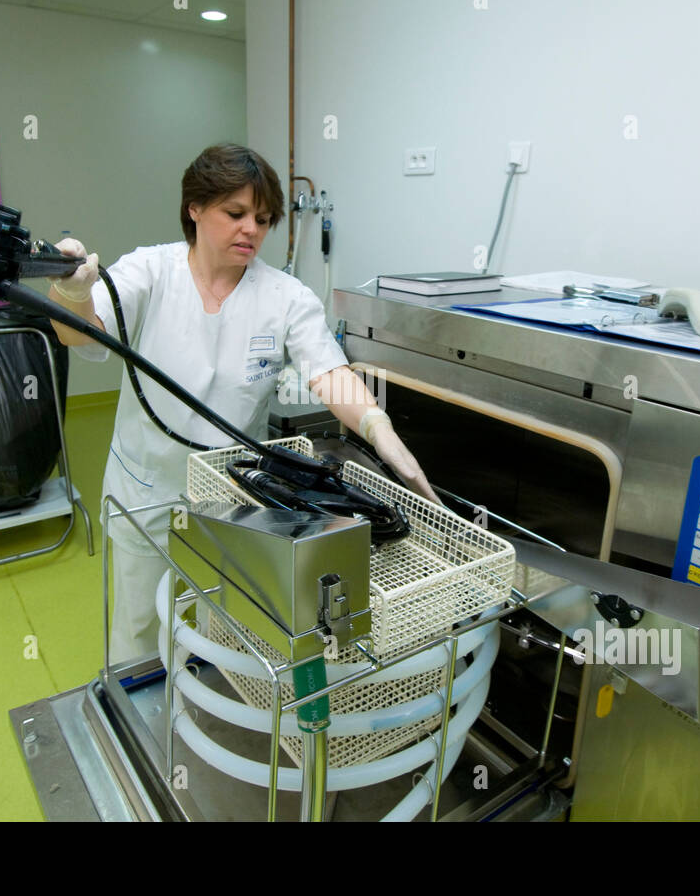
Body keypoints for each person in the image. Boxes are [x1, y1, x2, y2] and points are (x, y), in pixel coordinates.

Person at [47, 144, 439, 664]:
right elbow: (80, 335)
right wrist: (71, 294)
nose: (251, 229)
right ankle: (140, 714)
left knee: (226, 621)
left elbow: (328, 372)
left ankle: (213, 703)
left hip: (231, 493)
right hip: (148, 484)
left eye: (262, 218)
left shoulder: (284, 296)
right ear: (195, 208)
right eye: (235, 214)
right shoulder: (150, 272)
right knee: (140, 623)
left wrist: (377, 425)